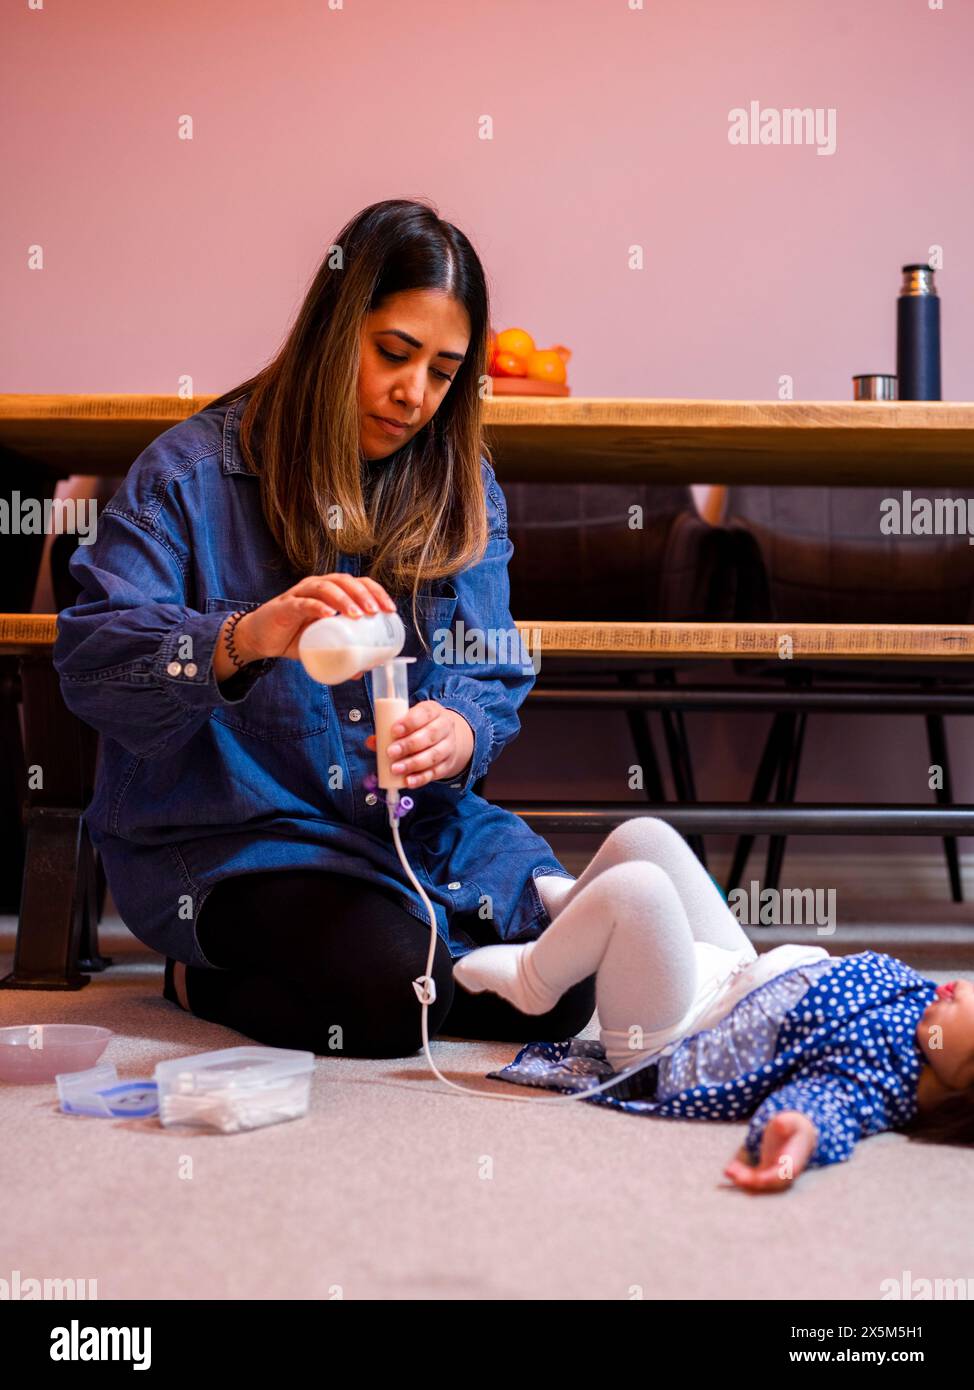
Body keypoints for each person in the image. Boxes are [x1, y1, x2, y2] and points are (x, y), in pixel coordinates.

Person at [53, 198, 594, 1059]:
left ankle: (403, 952)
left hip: (408, 829)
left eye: (445, 371)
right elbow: (89, 667)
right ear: (334, 327)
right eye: (392, 353)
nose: (414, 394)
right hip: (235, 841)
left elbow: (485, 663)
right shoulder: (188, 475)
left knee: (565, 995)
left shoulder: (459, 484)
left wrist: (458, 728)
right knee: (388, 999)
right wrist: (244, 639)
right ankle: (196, 976)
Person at [452, 817, 974, 1192]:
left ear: (962, 1083)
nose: (963, 986)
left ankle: (536, 978)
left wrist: (796, 1137)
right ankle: (572, 913)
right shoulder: (925, 1007)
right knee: (645, 838)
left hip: (674, 1032)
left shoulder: (880, 1080)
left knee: (640, 890)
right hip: (733, 972)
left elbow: (825, 1108)